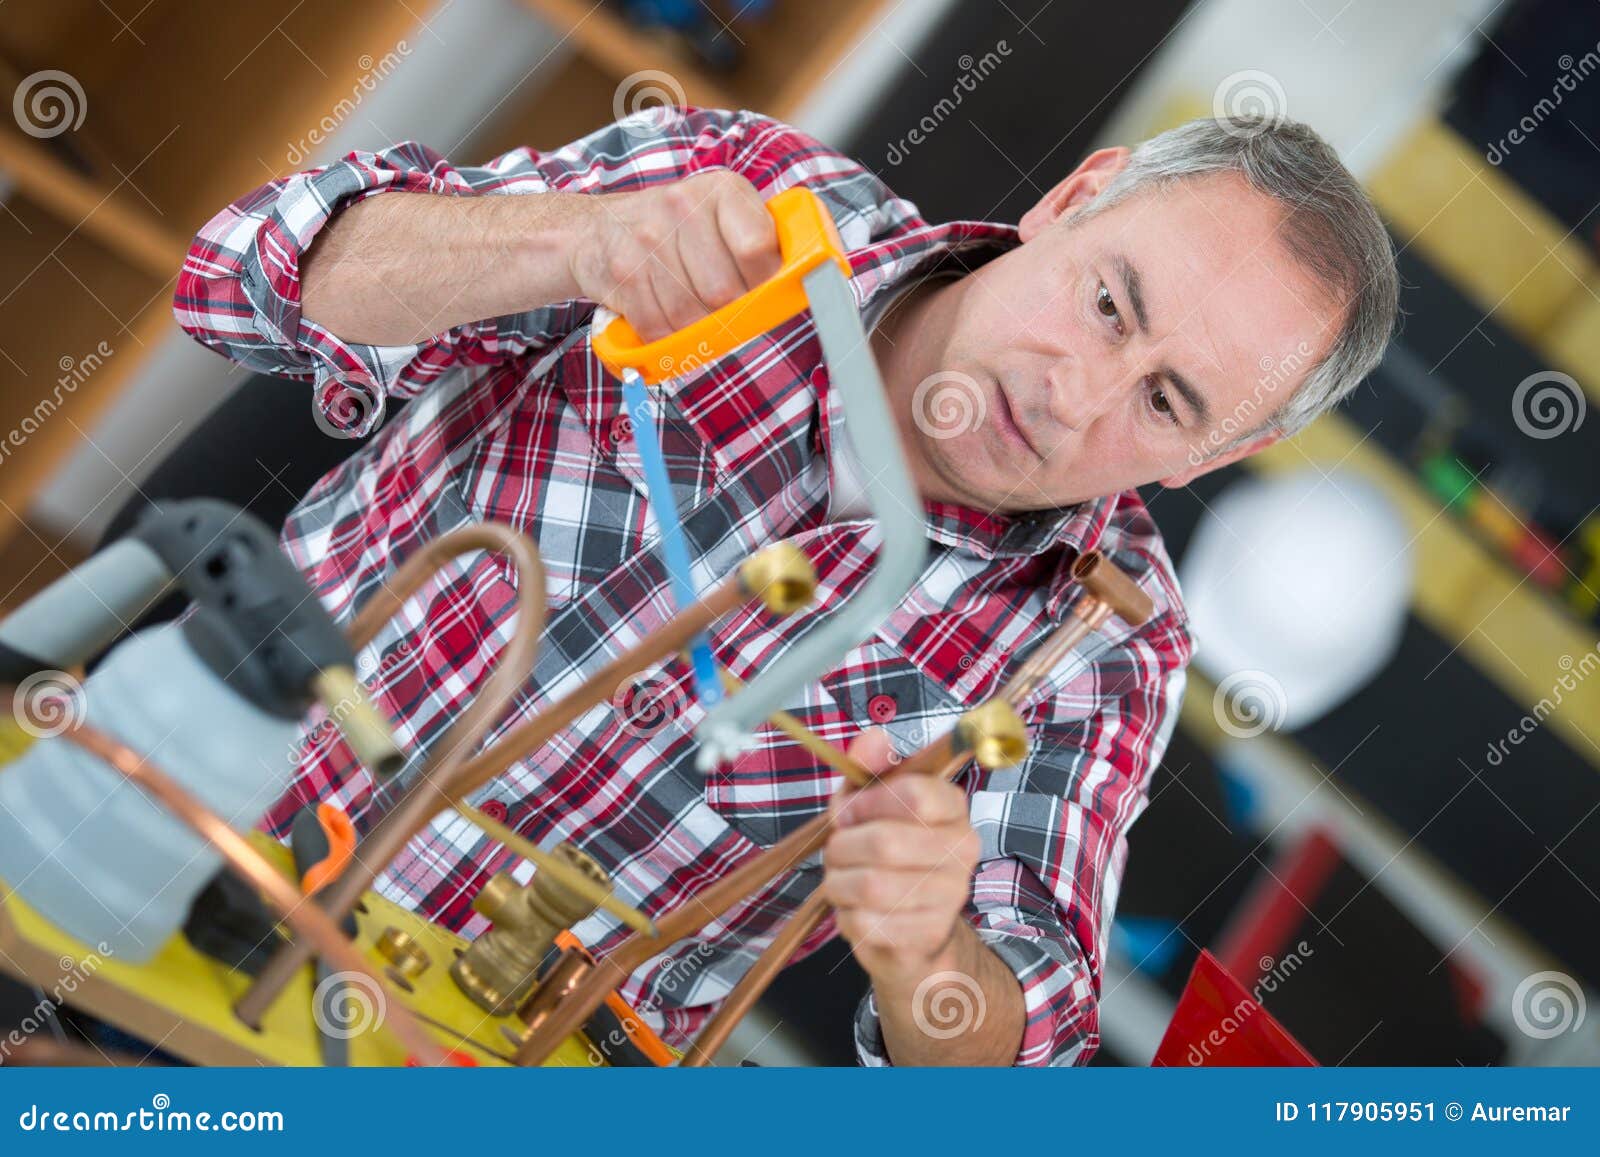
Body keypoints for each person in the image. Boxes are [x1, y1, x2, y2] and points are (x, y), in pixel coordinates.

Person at [174, 105, 1397, 1065]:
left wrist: (928, 947)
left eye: (1167, 401)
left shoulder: (1099, 645)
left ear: (1218, 457)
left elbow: (1010, 1057)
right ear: (1073, 200)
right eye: (1107, 302)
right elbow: (235, 281)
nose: (1072, 394)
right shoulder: (746, 202)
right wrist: (564, 241)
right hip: (163, 837)